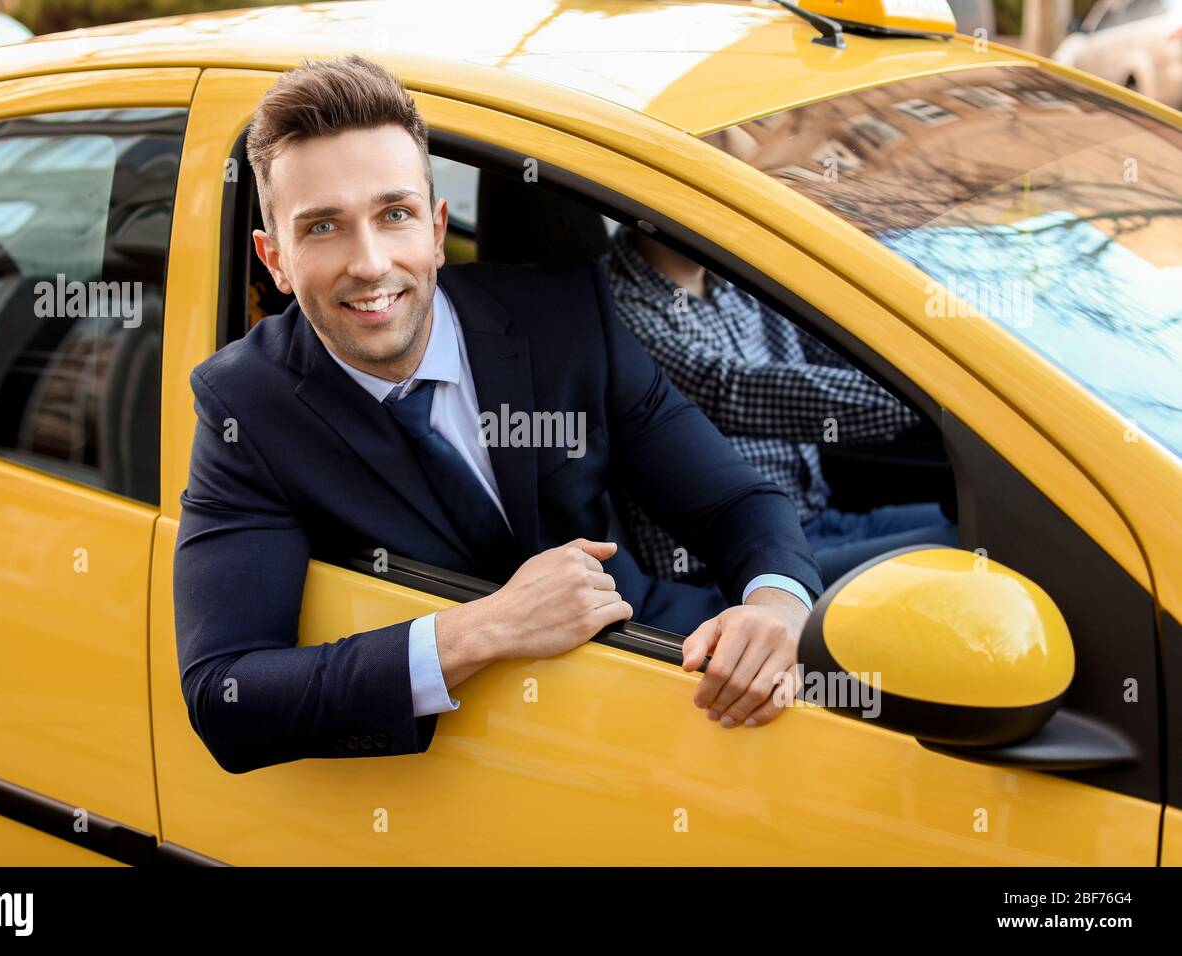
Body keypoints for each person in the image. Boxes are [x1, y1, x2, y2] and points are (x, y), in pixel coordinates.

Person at [172, 55, 822, 774]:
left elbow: (737, 502)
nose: (370, 263)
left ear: (437, 225)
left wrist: (776, 608)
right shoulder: (247, 409)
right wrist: (485, 630)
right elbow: (226, 699)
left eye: (395, 215)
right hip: (470, 772)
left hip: (668, 676)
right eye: (323, 227)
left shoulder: (567, 319)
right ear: (276, 261)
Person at [602, 222, 957, 590]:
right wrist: (928, 400)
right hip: (736, 562)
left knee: (991, 527)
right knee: (964, 553)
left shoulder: (740, 282)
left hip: (819, 521)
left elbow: (837, 351)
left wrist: (940, 370)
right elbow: (732, 389)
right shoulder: (618, 308)